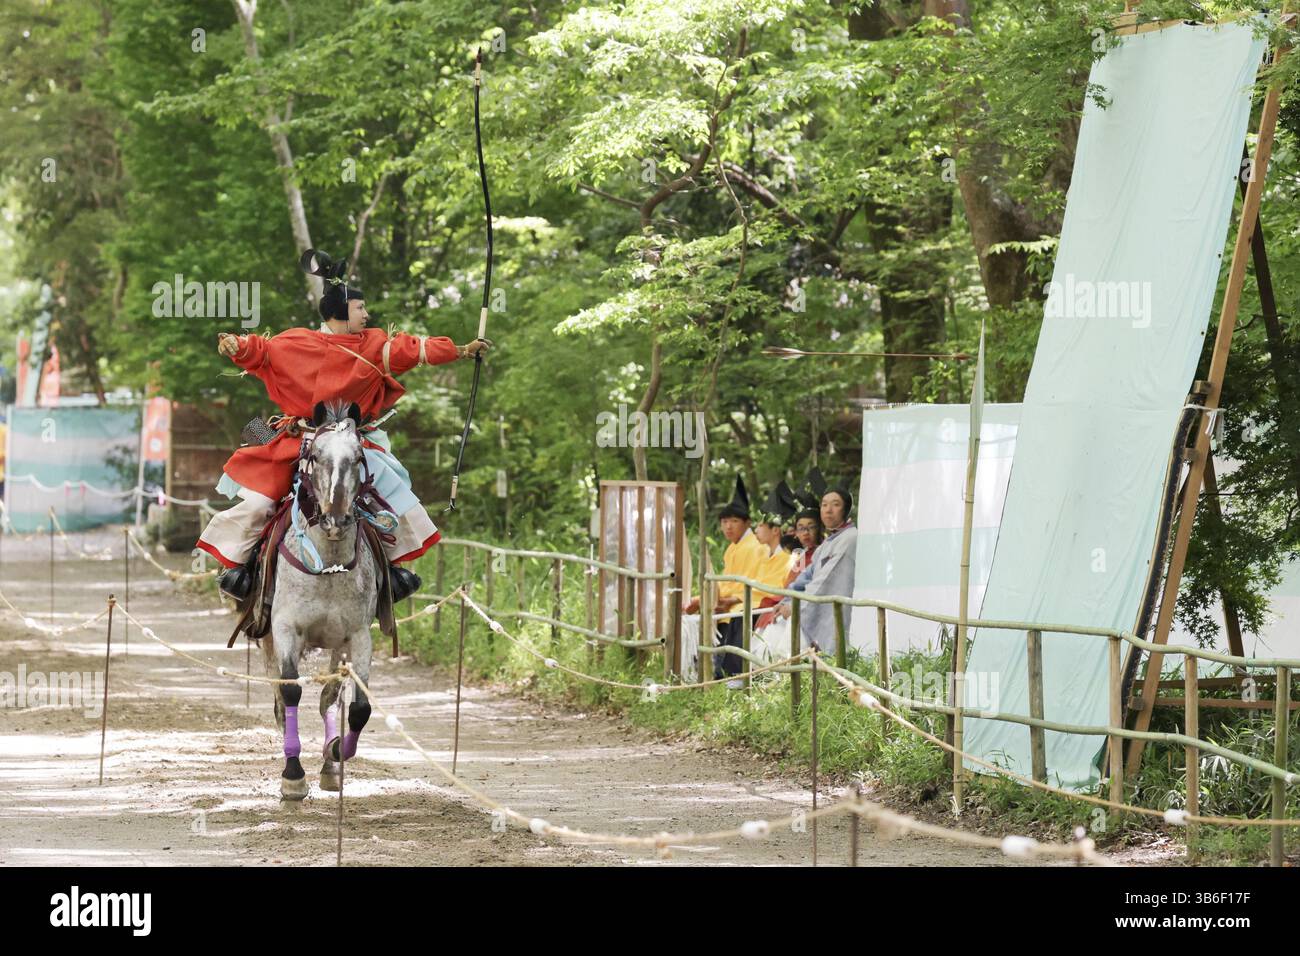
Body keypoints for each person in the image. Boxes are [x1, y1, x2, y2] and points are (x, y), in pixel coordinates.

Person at [197, 248, 490, 603]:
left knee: (392, 494)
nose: (367, 314)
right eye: (360, 309)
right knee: (260, 502)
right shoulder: (296, 341)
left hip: (353, 442)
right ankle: (240, 568)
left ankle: (396, 570)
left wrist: (460, 350)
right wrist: (236, 345)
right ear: (339, 312)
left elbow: (416, 350)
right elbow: (259, 350)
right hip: (297, 438)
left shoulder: (374, 345)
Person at [682, 475, 766, 685]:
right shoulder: (733, 547)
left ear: (747, 522)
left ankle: (722, 671)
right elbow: (727, 583)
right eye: (725, 521)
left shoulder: (755, 546)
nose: (728, 527)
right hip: (728, 602)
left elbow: (751, 583)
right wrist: (703, 597)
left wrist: (723, 600)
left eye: (734, 521)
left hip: (742, 604)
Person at [777, 472, 857, 654]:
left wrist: (797, 607)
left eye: (835, 505)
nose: (828, 510)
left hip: (832, 609)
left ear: (846, 509)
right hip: (813, 603)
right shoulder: (827, 543)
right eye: (824, 505)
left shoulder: (849, 538)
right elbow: (806, 577)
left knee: (790, 646)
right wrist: (787, 599)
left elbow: (824, 581)